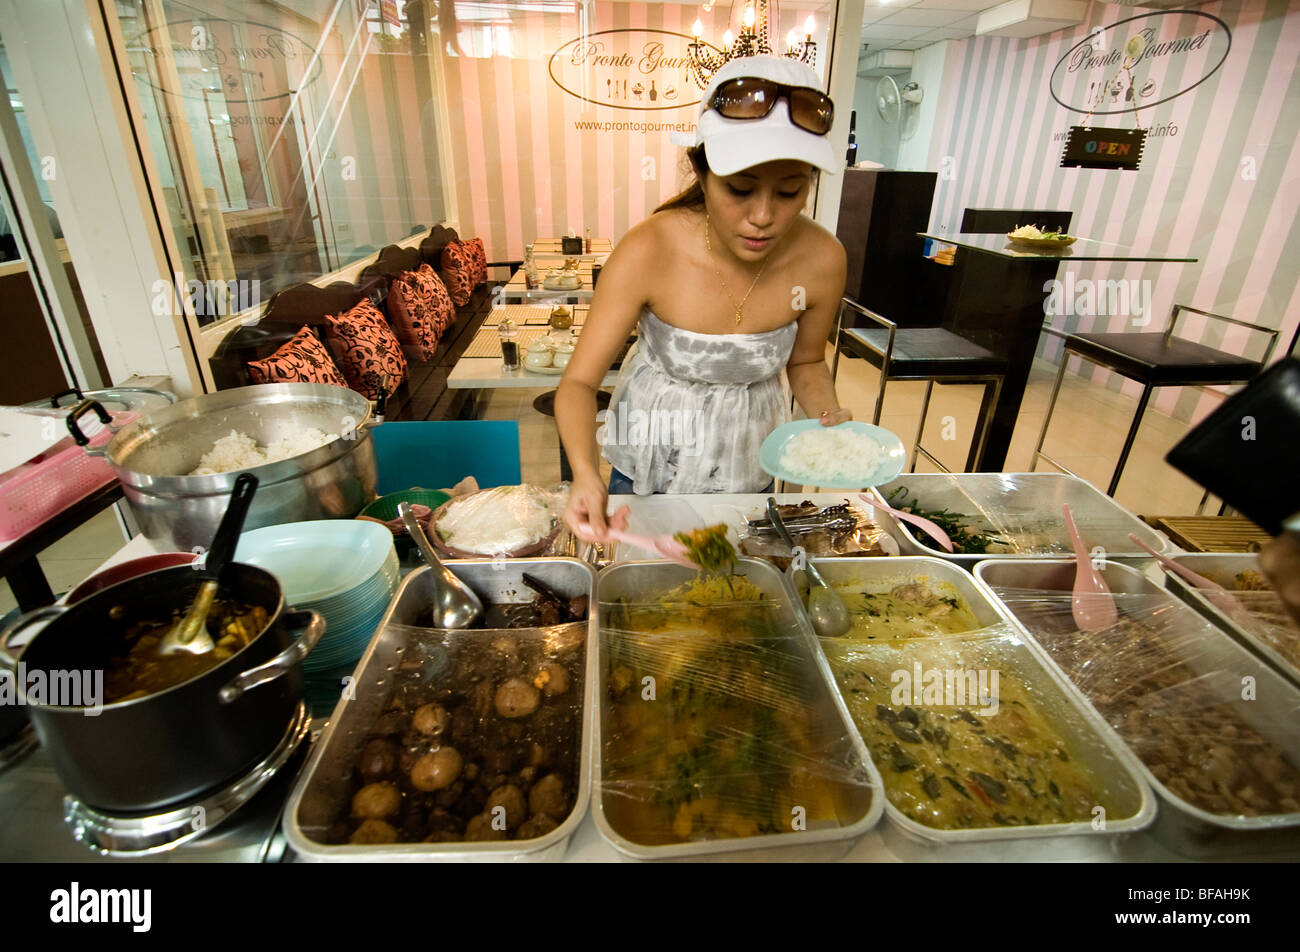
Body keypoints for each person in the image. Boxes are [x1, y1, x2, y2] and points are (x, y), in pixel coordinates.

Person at [556, 55, 850, 540]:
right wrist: (585, 474)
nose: (762, 216)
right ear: (700, 170)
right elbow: (579, 384)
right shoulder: (651, 247)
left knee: (732, 582)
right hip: (650, 456)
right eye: (740, 189)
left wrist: (829, 420)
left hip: (747, 455)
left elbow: (806, 362)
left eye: (789, 192)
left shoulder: (823, 258)